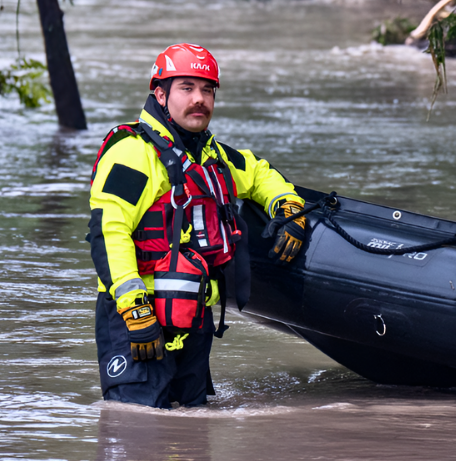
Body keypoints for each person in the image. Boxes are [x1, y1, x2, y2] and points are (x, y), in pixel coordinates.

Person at [87, 44, 309, 408]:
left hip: (192, 316)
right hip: (137, 317)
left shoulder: (211, 155)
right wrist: (134, 309)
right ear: (160, 94)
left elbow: (259, 174)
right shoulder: (132, 153)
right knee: (136, 433)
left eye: (207, 90)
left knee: (189, 442)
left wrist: (288, 207)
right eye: (187, 88)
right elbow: (108, 233)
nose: (199, 99)